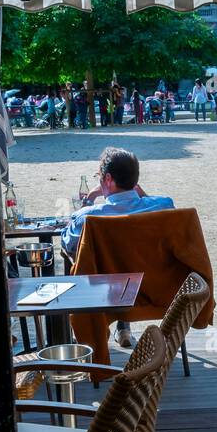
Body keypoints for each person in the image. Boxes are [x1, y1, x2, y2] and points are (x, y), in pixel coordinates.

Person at [62, 147, 176, 348]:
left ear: (107, 179)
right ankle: (124, 328)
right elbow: (165, 219)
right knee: (128, 263)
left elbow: (67, 244)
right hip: (156, 290)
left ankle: (80, 341)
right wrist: (142, 197)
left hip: (105, 296)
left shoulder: (88, 217)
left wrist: (88, 199)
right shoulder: (164, 205)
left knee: (107, 266)